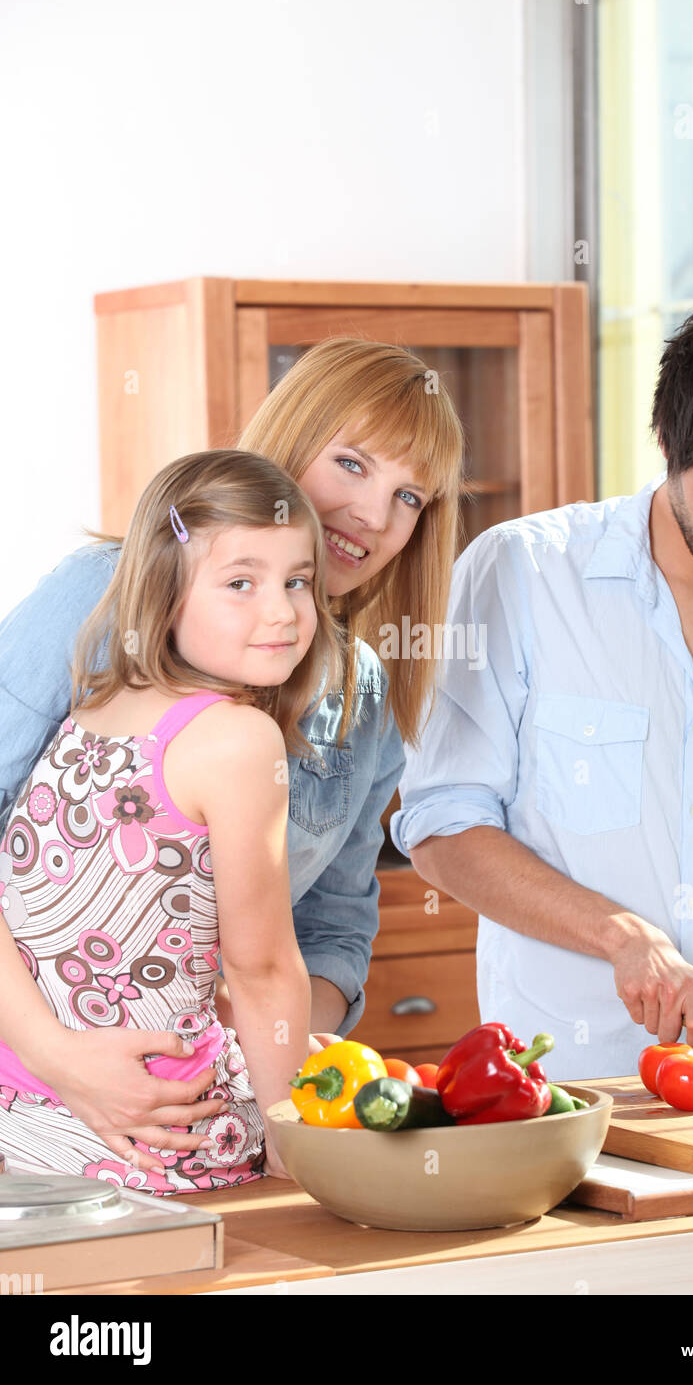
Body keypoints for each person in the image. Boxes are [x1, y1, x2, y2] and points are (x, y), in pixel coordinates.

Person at [0, 338, 463, 1173]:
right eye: (351, 464)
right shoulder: (105, 593)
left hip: (191, 1109)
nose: (371, 514)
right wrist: (55, 1055)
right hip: (51, 1094)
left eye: (408, 497)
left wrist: (272, 1057)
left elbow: (324, 933)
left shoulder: (363, 695)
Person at [392, 280, 693, 1086]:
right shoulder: (523, 571)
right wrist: (620, 935)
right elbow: (443, 825)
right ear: (665, 440)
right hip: (554, 1090)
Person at [0, 449, 344, 1191]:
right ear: (166, 594)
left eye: (297, 582)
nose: (282, 611)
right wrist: (294, 1151)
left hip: (37, 1122)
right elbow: (262, 970)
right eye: (240, 584)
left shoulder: (94, 706)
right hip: (171, 1134)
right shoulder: (237, 741)